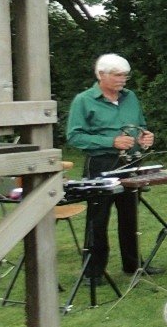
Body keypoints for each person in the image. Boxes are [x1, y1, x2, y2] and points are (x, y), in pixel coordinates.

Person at [66, 54, 156, 283]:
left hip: (130, 163)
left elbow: (140, 125)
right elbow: (74, 136)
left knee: (130, 215)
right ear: (101, 75)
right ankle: (93, 272)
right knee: (98, 217)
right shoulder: (84, 100)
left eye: (125, 75)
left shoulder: (131, 97)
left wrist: (144, 137)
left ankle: (133, 263)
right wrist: (111, 141)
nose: (122, 80)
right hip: (101, 164)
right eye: (117, 75)